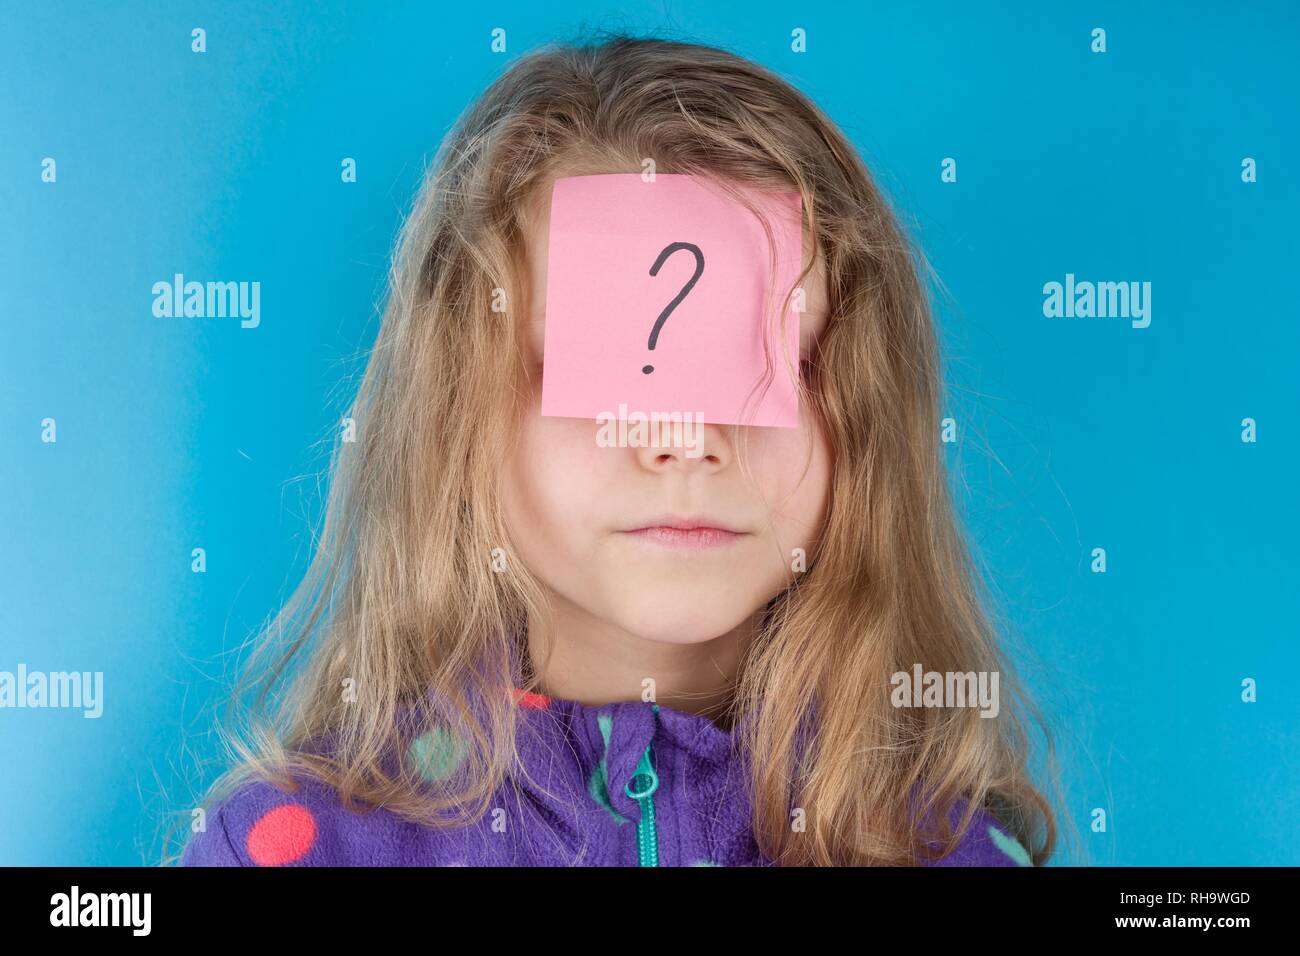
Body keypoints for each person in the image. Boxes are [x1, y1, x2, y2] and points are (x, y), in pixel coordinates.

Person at [177, 33, 1055, 867]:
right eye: (605, 363)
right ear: (459, 414)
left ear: (854, 416)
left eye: (763, 363)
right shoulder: (299, 845)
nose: (687, 441)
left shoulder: (950, 850)